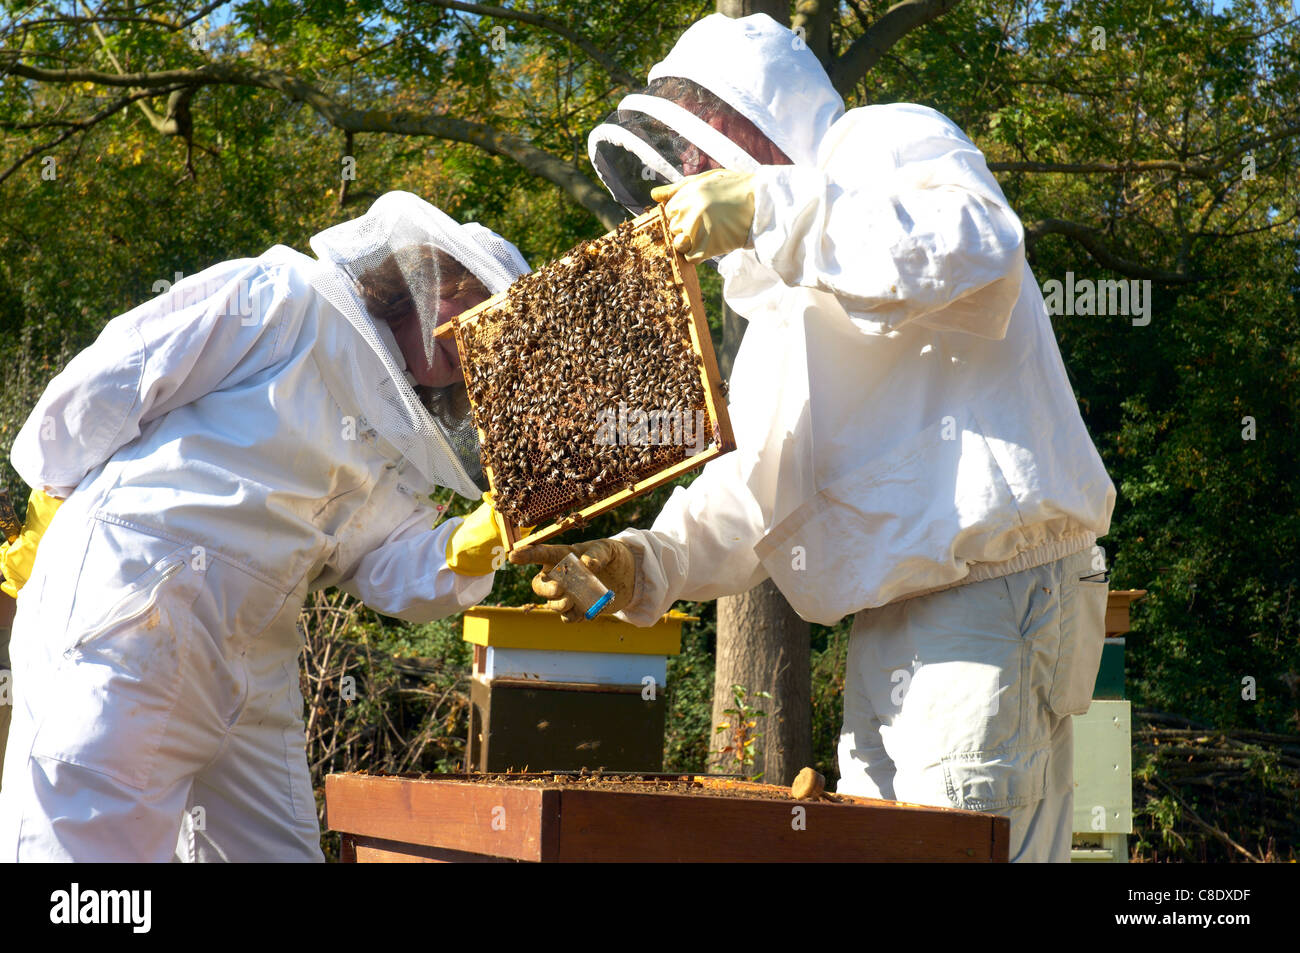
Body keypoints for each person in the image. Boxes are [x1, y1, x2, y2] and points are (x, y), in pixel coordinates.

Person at [515, 13, 1115, 863]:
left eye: (698, 138)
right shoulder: (777, 313)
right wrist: (642, 560)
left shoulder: (881, 142)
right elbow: (754, 493)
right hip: (890, 625)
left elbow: (978, 244)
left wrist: (770, 204)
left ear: (751, 112)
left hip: (988, 597)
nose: (688, 171)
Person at [0, 191, 526, 861]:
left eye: (494, 333)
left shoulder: (407, 448)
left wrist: (473, 541)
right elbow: (116, 378)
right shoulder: (284, 297)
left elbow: (384, 567)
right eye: (469, 304)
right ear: (421, 277)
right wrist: (58, 505)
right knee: (86, 861)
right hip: (133, 596)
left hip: (256, 645)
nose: (473, 334)